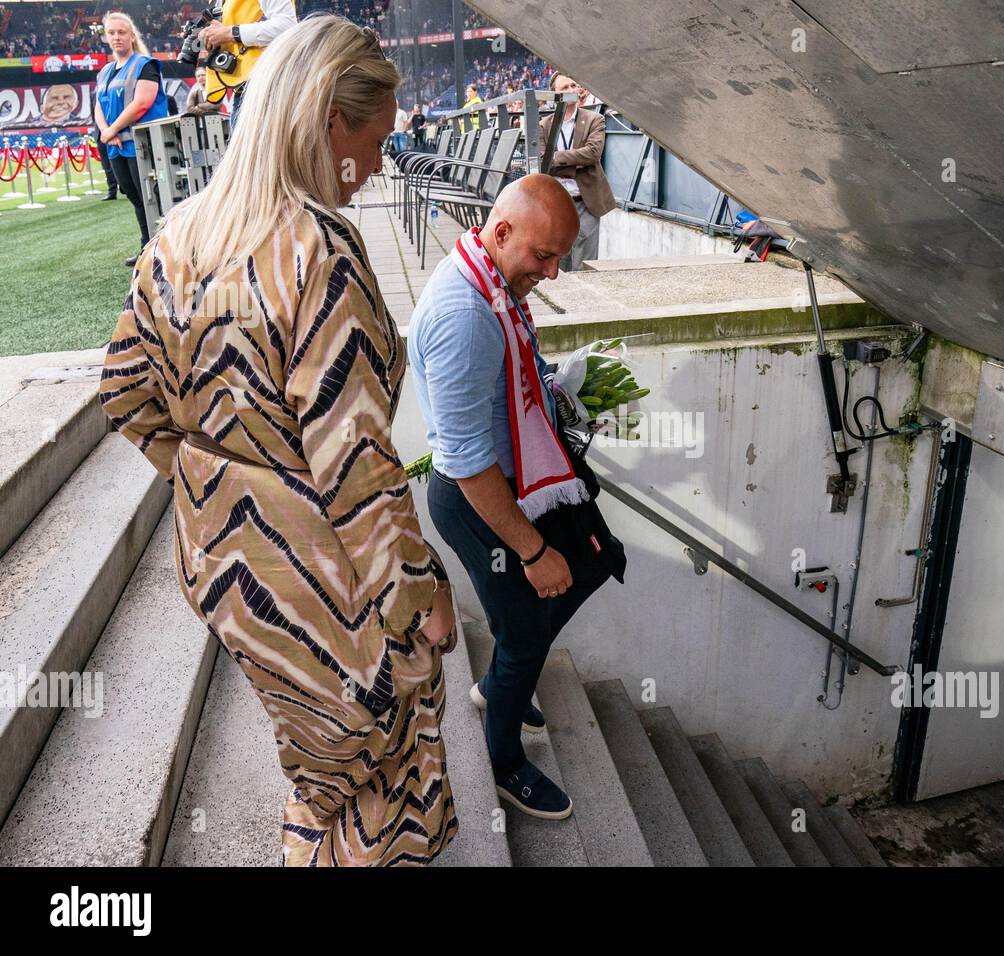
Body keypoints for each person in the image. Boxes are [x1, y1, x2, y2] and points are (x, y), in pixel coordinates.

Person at [97, 15, 460, 867]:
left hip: (227, 576)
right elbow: (360, 481)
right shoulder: (321, 252)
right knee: (389, 793)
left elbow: (123, 396)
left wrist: (218, 480)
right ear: (331, 117)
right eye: (374, 140)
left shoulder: (179, 235)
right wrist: (420, 606)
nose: (376, 164)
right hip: (327, 588)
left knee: (315, 772)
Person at [408, 174, 615, 820]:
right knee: (526, 631)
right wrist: (530, 551)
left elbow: (514, 381)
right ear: (501, 233)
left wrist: (560, 391)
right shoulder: (465, 316)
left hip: (509, 486)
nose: (552, 274)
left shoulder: (489, 279)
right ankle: (504, 764)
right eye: (544, 255)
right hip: (481, 502)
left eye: (561, 257)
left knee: (595, 560)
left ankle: (501, 682)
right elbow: (468, 465)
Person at [94, 12, 168, 266]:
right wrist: (107, 132)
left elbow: (142, 103)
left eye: (121, 32)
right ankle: (147, 246)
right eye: (111, 33)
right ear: (106, 37)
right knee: (135, 197)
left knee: (152, 198)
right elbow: (98, 106)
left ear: (132, 36)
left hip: (142, 144)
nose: (116, 37)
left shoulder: (145, 65)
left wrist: (110, 130)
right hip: (116, 145)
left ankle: (164, 247)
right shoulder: (104, 71)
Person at [539, 73, 615, 271]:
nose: (570, 90)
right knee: (559, 261)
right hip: (556, 203)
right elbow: (541, 162)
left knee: (585, 265)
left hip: (586, 200)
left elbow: (592, 154)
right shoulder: (544, 125)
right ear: (553, 93)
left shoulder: (594, 119)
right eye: (564, 88)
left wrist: (556, 157)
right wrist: (573, 161)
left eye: (573, 85)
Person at [198, 0, 297, 127]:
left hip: (269, 84)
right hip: (246, 86)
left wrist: (231, 33)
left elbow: (287, 26)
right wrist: (209, 36)